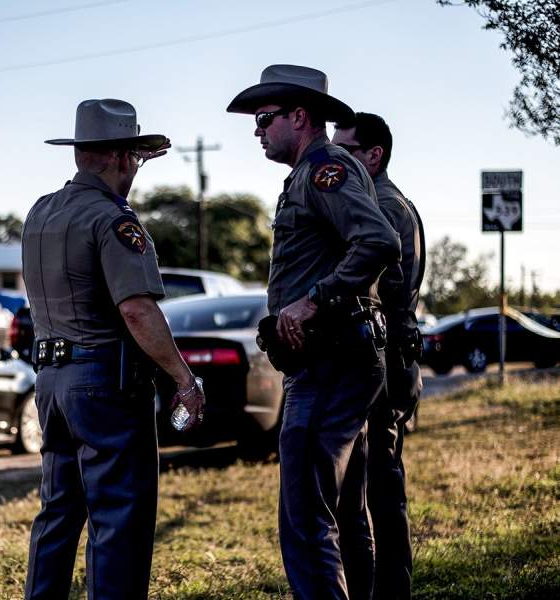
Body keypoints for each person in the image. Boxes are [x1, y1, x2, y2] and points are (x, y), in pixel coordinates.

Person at [227, 65, 401, 600]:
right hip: (330, 361)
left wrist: (314, 300)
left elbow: (378, 241)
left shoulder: (326, 168)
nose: (257, 131)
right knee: (344, 515)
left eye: (263, 118)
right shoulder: (308, 174)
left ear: (299, 117)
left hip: (329, 361)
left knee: (306, 520)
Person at [22, 98, 205, 600]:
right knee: (118, 520)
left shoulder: (41, 211)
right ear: (124, 157)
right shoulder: (114, 219)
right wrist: (183, 379)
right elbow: (137, 310)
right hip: (103, 383)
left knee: (57, 514)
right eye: (139, 160)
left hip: (51, 380)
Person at [334, 112, 426, 600]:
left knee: (374, 494)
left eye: (346, 151)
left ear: (375, 155)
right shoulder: (386, 201)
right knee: (374, 490)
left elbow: (380, 294)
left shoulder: (383, 207)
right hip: (389, 358)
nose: (336, 159)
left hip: (382, 361)